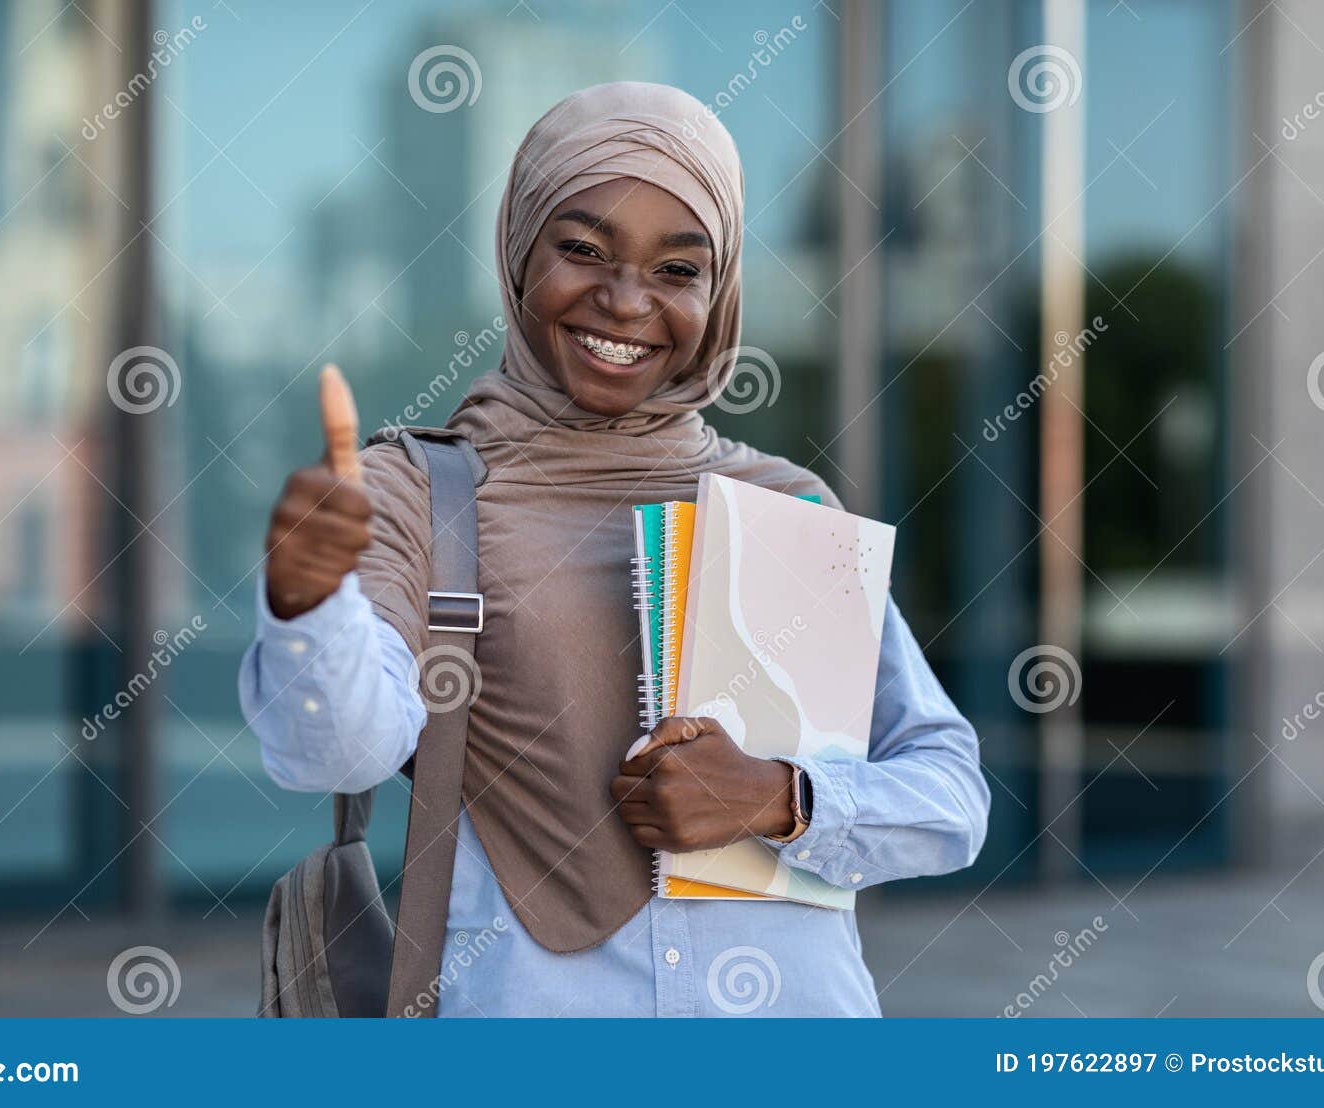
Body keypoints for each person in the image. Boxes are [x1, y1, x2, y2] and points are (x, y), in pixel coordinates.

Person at [239, 82, 989, 1017]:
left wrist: (779, 800)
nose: (625, 300)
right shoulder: (424, 495)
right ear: (520, 257)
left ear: (718, 296)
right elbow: (340, 754)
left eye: (678, 270)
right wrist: (308, 606)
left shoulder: (782, 504)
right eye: (583, 250)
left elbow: (951, 796)